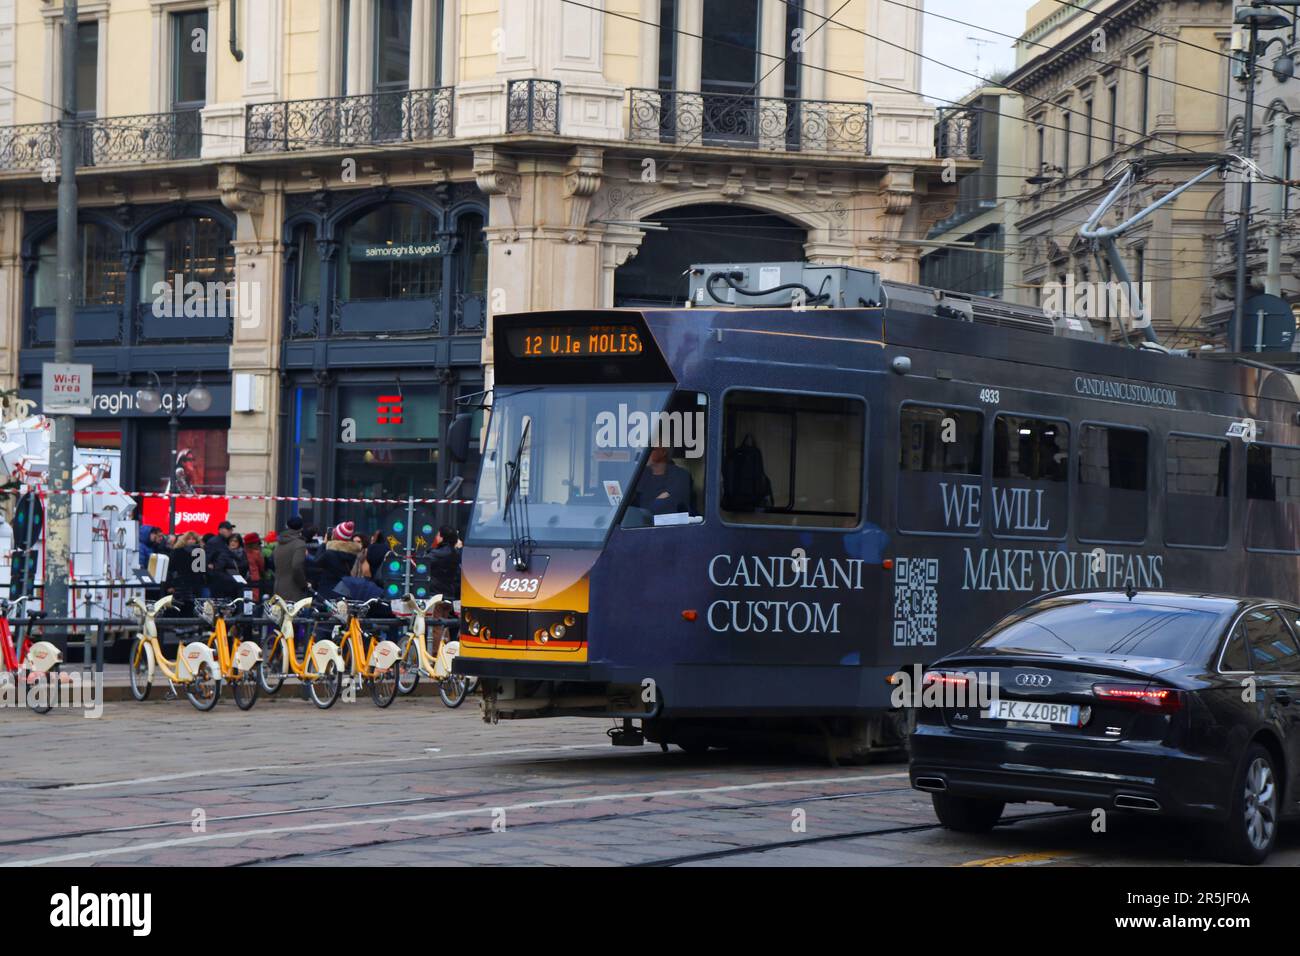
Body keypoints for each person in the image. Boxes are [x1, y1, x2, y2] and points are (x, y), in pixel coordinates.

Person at [628, 447, 694, 518]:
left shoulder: (680, 475)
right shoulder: (640, 475)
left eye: (650, 449)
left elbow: (662, 505)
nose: (644, 453)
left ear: (663, 452)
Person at [318, 521, 363, 598]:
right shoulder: (353, 553)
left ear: (336, 535)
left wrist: (323, 544)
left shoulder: (329, 554)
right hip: (344, 590)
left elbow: (316, 562)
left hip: (327, 591)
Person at [166, 531, 206, 614]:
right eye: (189, 539)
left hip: (191, 585)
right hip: (180, 584)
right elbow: (171, 569)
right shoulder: (178, 551)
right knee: (180, 606)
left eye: (193, 539)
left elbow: (202, 571)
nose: (191, 541)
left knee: (189, 607)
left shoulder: (199, 553)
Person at [273, 515, 311, 601]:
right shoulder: (299, 544)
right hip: (293, 590)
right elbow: (296, 567)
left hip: (278, 588)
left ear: (287, 526)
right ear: (301, 528)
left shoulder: (279, 543)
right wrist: (303, 584)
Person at [428, 526, 462, 600]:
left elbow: (424, 563)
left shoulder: (437, 554)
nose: (436, 537)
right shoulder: (456, 553)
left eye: (438, 535)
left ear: (442, 538)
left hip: (436, 594)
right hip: (450, 593)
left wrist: (433, 545)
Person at [242, 532, 265, 602]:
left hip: (243, 579)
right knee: (254, 600)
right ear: (254, 543)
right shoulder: (256, 553)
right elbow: (261, 567)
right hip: (254, 580)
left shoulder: (242, 551)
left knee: (245, 601)